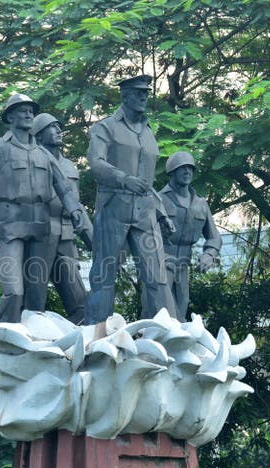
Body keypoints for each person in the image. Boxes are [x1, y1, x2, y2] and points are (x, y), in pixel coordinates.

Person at [0, 93, 88, 323]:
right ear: (10, 116)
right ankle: (4, 334)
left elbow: (63, 187)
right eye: (22, 110)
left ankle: (33, 339)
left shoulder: (43, 154)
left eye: (31, 111)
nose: (28, 114)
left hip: (40, 230)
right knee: (14, 291)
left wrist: (75, 210)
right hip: (10, 227)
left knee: (36, 297)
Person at [85, 74, 176, 335]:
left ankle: (167, 334)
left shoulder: (148, 133)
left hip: (145, 213)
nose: (144, 97)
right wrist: (124, 179)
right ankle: (96, 335)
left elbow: (148, 182)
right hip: (114, 207)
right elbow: (96, 164)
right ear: (125, 96)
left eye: (146, 93)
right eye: (138, 93)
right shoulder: (105, 128)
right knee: (104, 274)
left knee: (157, 274)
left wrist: (162, 213)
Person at [32, 112, 89, 324]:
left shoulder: (69, 166)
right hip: (39, 235)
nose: (58, 130)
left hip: (66, 236)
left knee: (80, 302)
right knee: (32, 298)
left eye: (59, 127)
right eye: (52, 127)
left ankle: (80, 338)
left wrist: (92, 239)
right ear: (38, 135)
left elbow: (77, 204)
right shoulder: (31, 161)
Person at [159, 151, 222, 321]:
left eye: (190, 168)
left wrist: (209, 254)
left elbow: (214, 237)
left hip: (183, 266)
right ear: (172, 171)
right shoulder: (158, 200)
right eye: (182, 168)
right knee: (163, 308)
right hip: (160, 263)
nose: (187, 171)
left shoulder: (200, 204)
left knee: (182, 304)